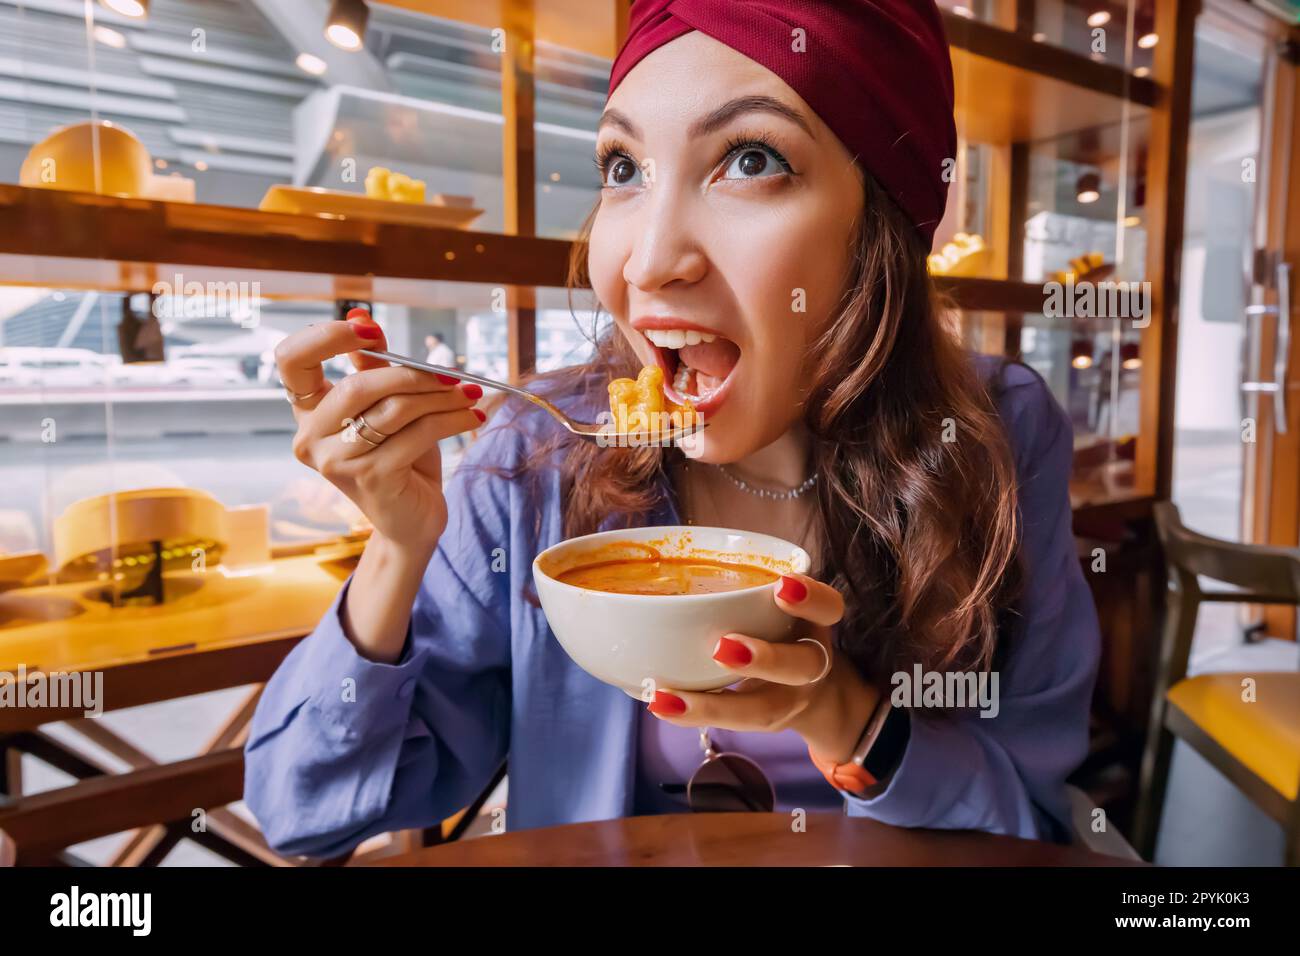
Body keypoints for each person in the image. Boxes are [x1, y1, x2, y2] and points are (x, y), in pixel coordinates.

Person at [246, 0, 1100, 858]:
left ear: (883, 223)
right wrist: (396, 551)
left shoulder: (997, 431)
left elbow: (1028, 822)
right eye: (624, 167)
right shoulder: (539, 452)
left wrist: (845, 716)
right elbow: (306, 812)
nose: (649, 262)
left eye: (751, 159)